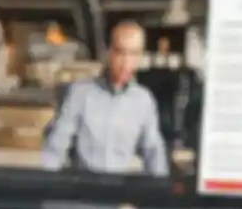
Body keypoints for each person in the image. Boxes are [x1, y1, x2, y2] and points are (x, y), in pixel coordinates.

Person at [41, 20, 168, 176]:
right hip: (83, 185)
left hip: (119, 187)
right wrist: (48, 183)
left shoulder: (143, 101)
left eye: (133, 54)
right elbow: (56, 147)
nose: (125, 62)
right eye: (120, 52)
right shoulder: (81, 94)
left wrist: (160, 187)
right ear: (109, 52)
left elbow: (154, 152)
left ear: (140, 57)